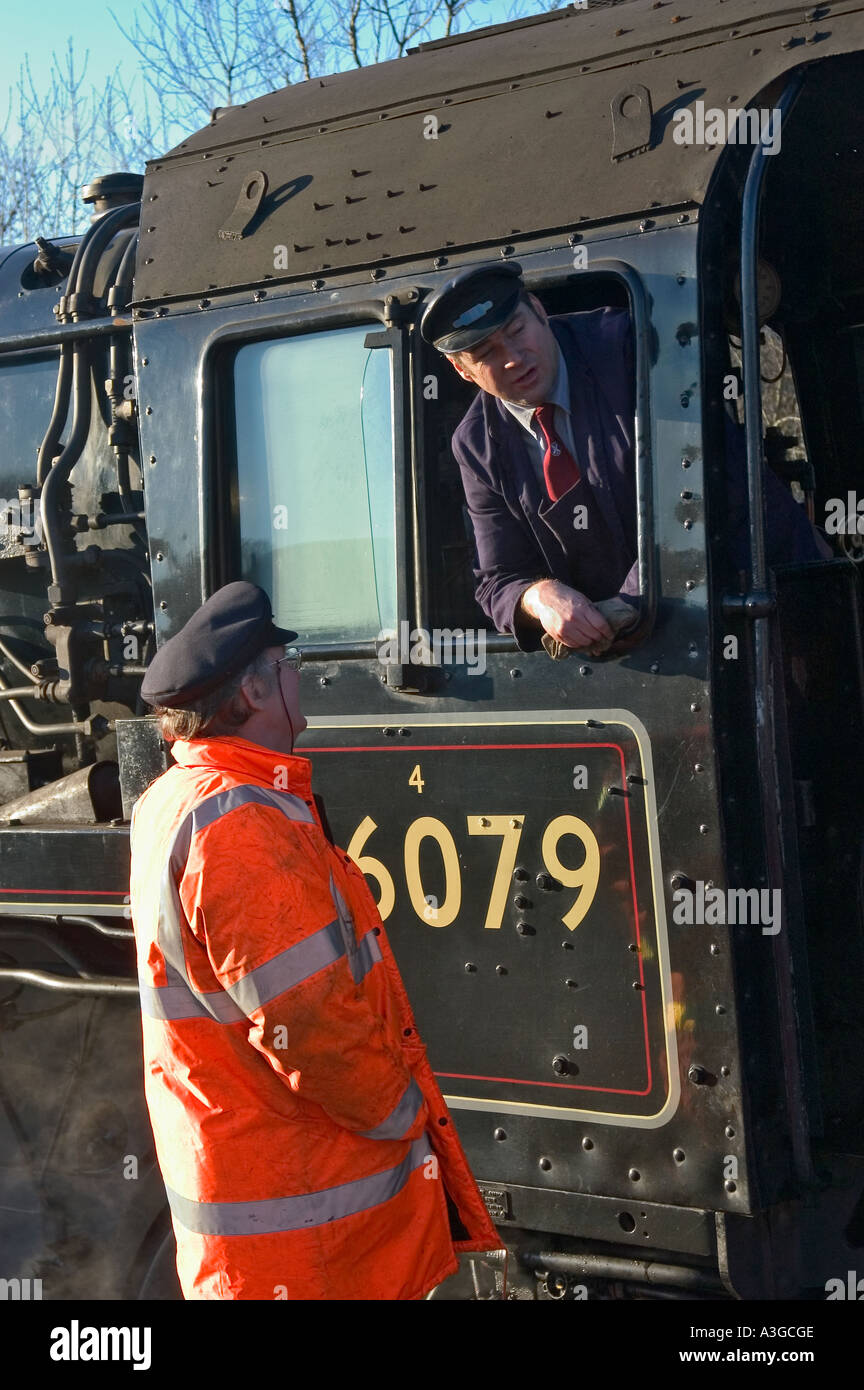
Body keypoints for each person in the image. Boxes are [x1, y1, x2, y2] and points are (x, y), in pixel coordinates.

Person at [128, 581, 498, 1300]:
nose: (302, 678)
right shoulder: (237, 823)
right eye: (286, 664)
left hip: (267, 1215)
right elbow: (306, 1017)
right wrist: (402, 1111)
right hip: (304, 1239)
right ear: (257, 691)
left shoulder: (180, 798)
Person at [421, 262, 831, 657]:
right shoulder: (476, 444)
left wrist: (630, 601)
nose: (512, 356)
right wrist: (539, 597)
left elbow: (705, 488)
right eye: (486, 353)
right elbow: (498, 579)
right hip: (649, 646)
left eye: (516, 330)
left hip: (769, 598)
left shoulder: (631, 348)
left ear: (540, 312)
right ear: (462, 370)